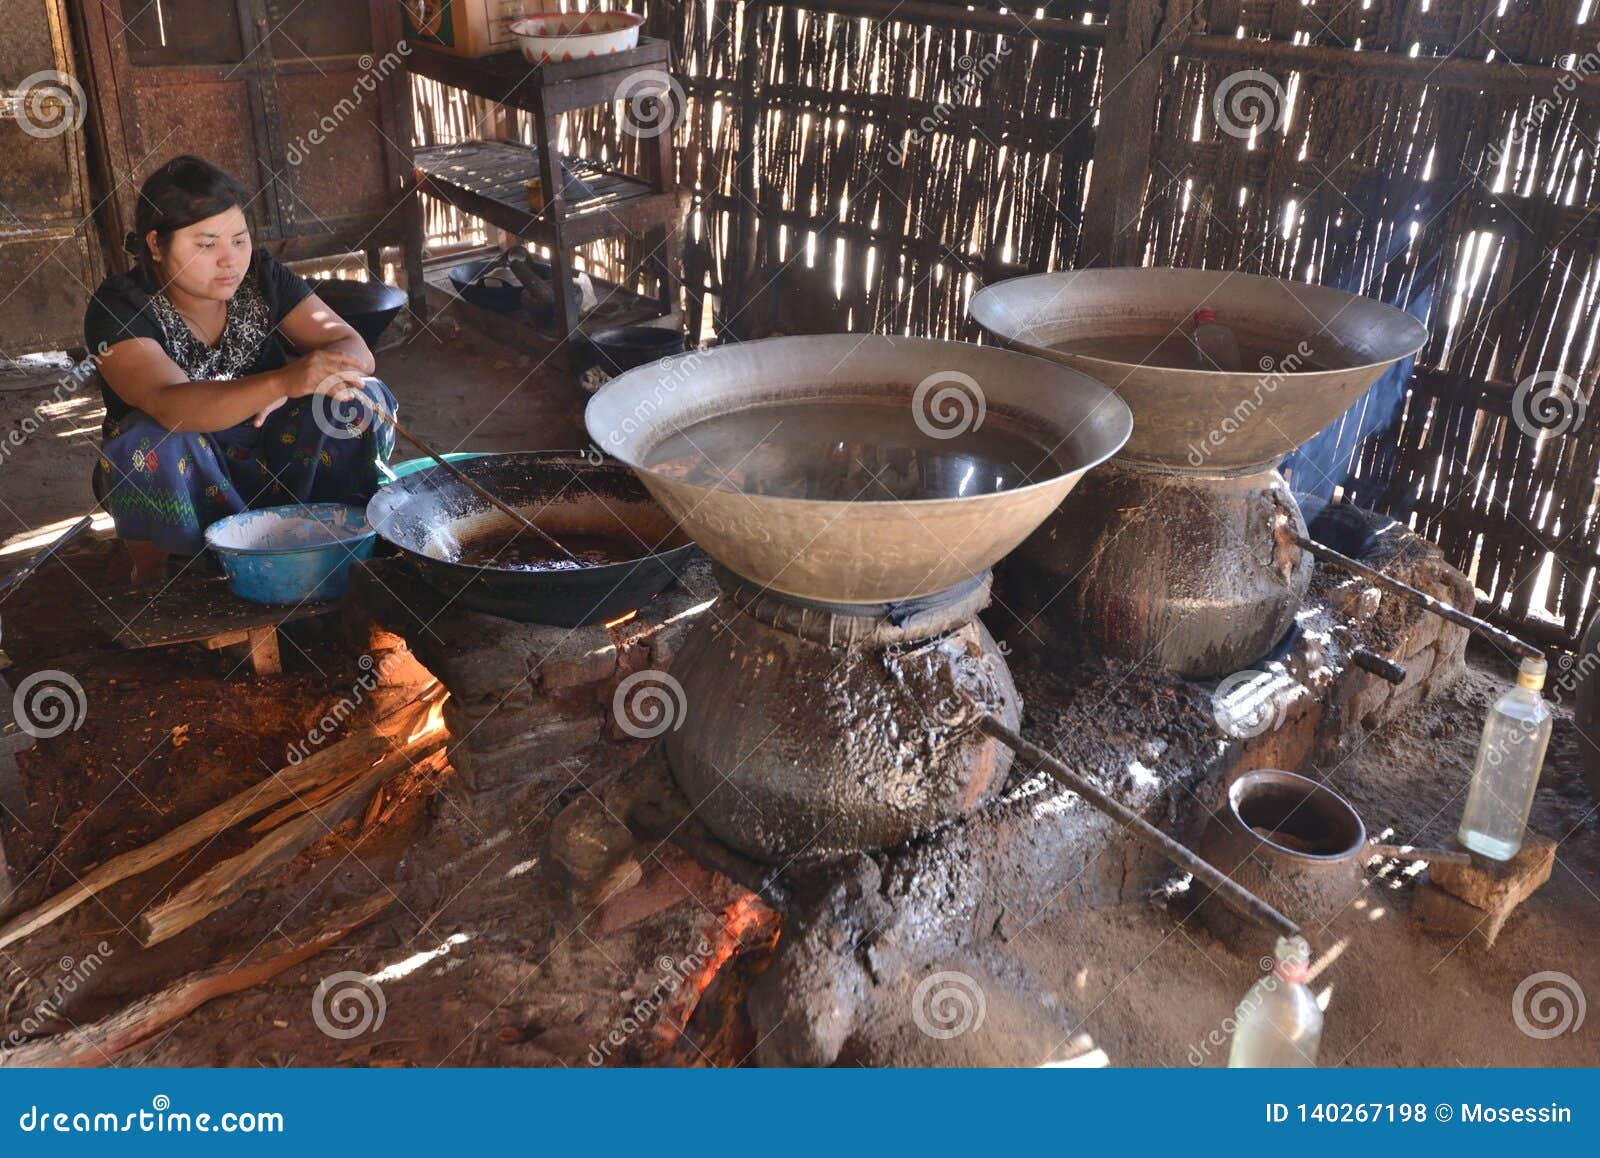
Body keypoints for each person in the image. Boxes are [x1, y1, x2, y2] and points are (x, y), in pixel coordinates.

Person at [86, 155, 396, 584]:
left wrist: (299, 384)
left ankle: (328, 539)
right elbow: (168, 404)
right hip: (189, 468)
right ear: (156, 245)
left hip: (270, 447)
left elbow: (353, 350)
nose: (229, 260)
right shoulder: (120, 306)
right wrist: (283, 380)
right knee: (149, 442)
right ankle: (158, 574)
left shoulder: (261, 280)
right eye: (206, 244)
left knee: (360, 397)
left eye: (239, 239)